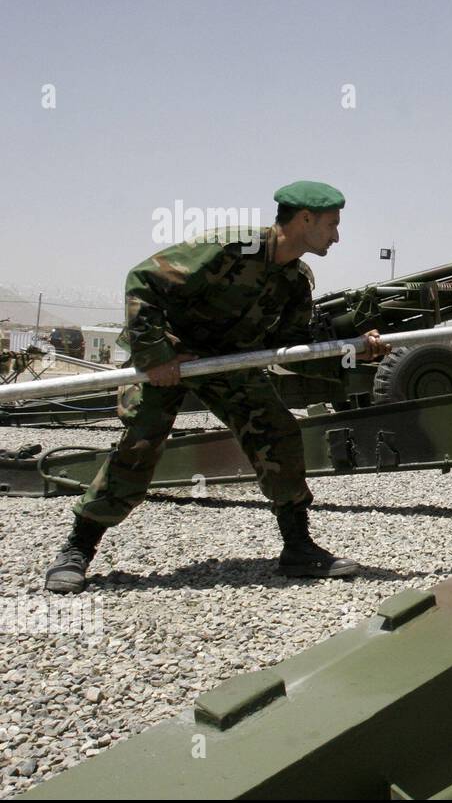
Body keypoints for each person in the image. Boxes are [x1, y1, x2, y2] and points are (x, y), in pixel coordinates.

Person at [44, 180, 388, 593]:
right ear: (305, 219)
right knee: (141, 442)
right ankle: (76, 549)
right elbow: (143, 280)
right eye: (331, 224)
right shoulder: (230, 247)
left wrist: (354, 349)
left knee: (278, 432)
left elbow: (294, 348)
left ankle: (298, 548)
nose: (336, 235)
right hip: (172, 354)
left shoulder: (295, 280)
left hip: (227, 361)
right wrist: (157, 358)